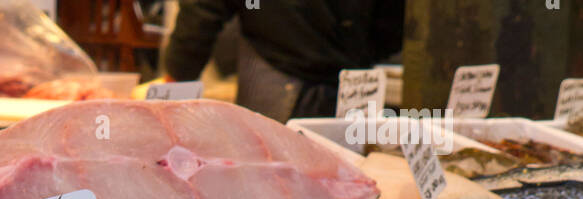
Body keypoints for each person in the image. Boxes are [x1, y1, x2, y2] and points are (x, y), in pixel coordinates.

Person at [164, 0, 405, 121]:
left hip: (279, 81)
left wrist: (177, 76)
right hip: (355, 82)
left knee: (269, 193)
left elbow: (204, 8)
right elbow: (392, 24)